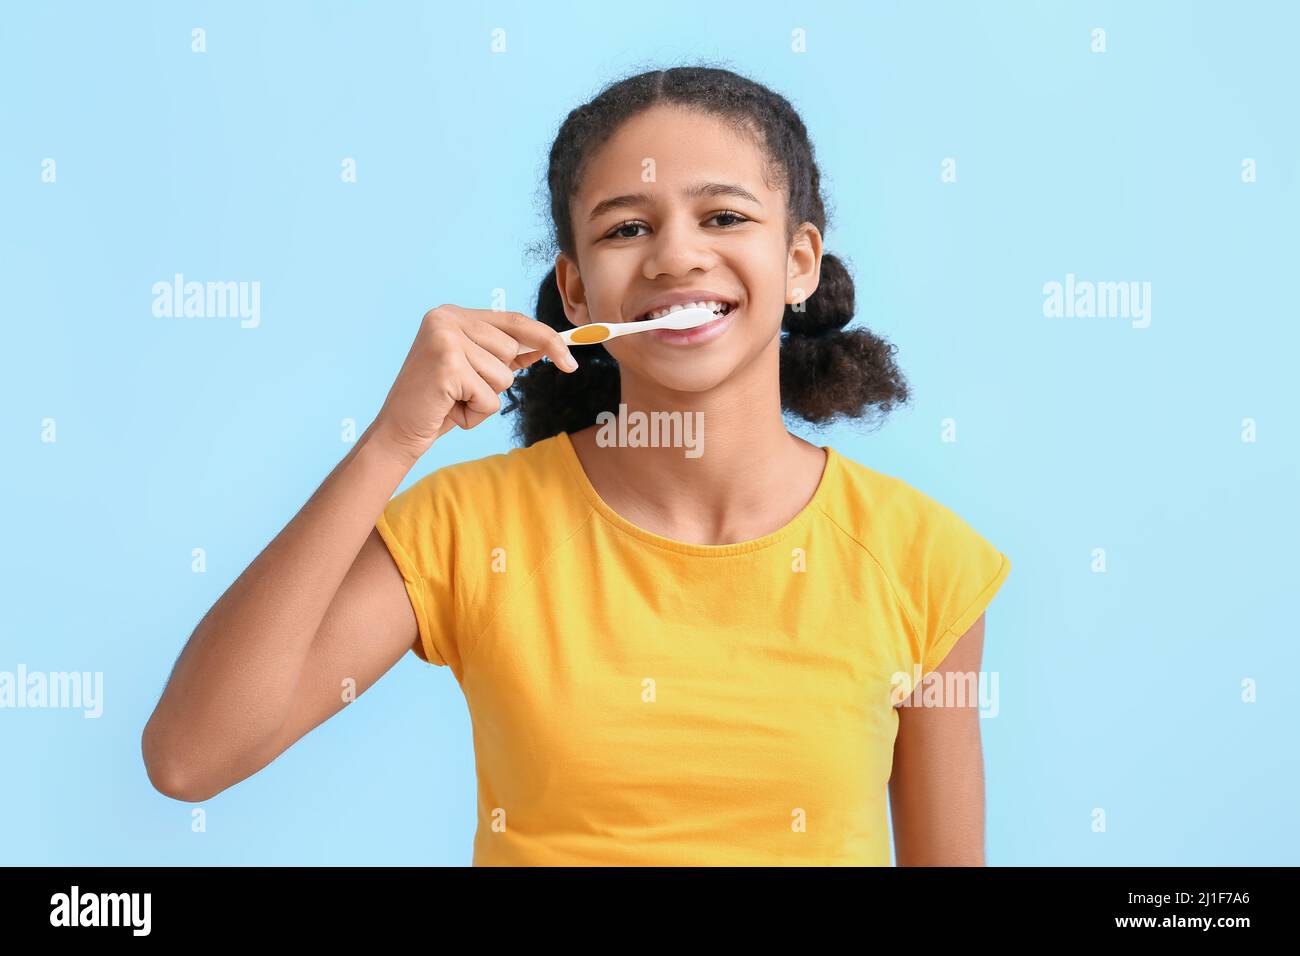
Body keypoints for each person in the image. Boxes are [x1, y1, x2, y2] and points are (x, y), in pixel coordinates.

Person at [142, 65, 1011, 866]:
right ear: (578, 292)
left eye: (725, 217)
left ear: (798, 264)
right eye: (628, 227)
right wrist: (391, 442)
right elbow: (190, 758)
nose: (677, 255)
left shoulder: (920, 559)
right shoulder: (470, 529)